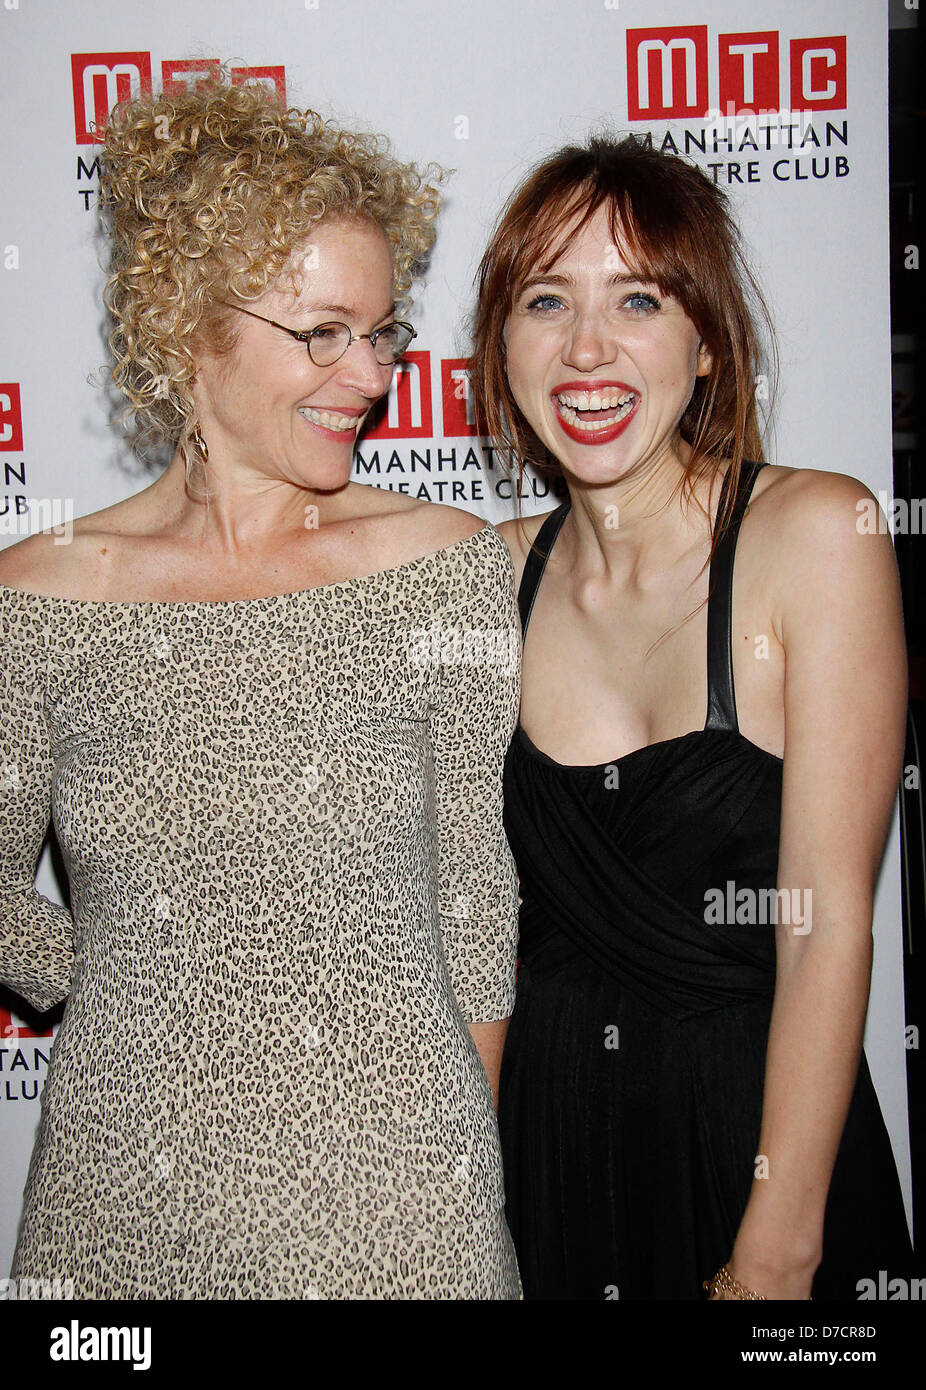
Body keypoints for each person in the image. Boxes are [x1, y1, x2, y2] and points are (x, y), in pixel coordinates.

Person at [0, 76, 522, 1299]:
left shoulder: (439, 570)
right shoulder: (41, 598)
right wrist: (112, 977)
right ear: (190, 328)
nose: (370, 373)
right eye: (322, 331)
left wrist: (460, 1179)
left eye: (382, 329)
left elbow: (474, 909)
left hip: (404, 1211)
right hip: (117, 1205)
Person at [471, 134, 914, 1300]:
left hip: (756, 1136)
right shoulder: (482, 579)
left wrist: (778, 1244)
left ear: (706, 342)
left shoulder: (814, 535)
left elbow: (823, 924)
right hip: (547, 1151)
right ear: (499, 346)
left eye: (637, 298)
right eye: (544, 299)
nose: (584, 348)